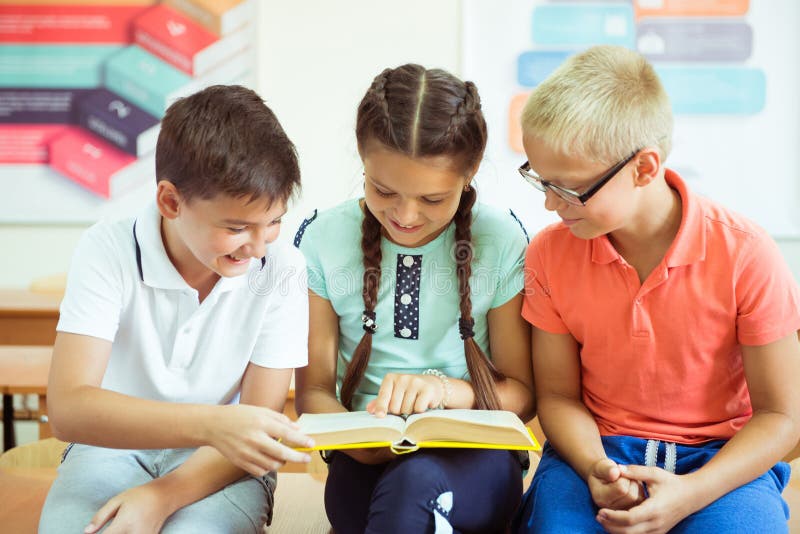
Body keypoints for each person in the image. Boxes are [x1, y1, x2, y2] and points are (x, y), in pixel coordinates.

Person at [514, 45, 800, 533]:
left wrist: (692, 493)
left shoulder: (747, 254)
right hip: (596, 450)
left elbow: (781, 416)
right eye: (541, 182)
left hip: (722, 462)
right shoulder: (549, 253)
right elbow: (557, 396)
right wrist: (595, 467)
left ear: (644, 168)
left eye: (568, 189)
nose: (549, 205)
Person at [39, 85, 314, 534]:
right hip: (110, 447)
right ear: (170, 201)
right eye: (237, 227)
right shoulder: (108, 248)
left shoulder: (283, 267)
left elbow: (255, 429)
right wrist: (212, 423)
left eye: (274, 222)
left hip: (223, 461)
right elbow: (68, 409)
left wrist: (161, 496)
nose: (259, 246)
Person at [293, 63, 536, 533]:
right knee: (395, 498)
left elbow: (522, 395)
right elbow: (314, 394)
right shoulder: (322, 238)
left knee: (415, 487)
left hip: (478, 454)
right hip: (363, 457)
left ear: (470, 174)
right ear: (362, 160)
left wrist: (446, 392)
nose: (405, 215)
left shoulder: (500, 239)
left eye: (432, 199)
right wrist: (361, 440)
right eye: (383, 190)